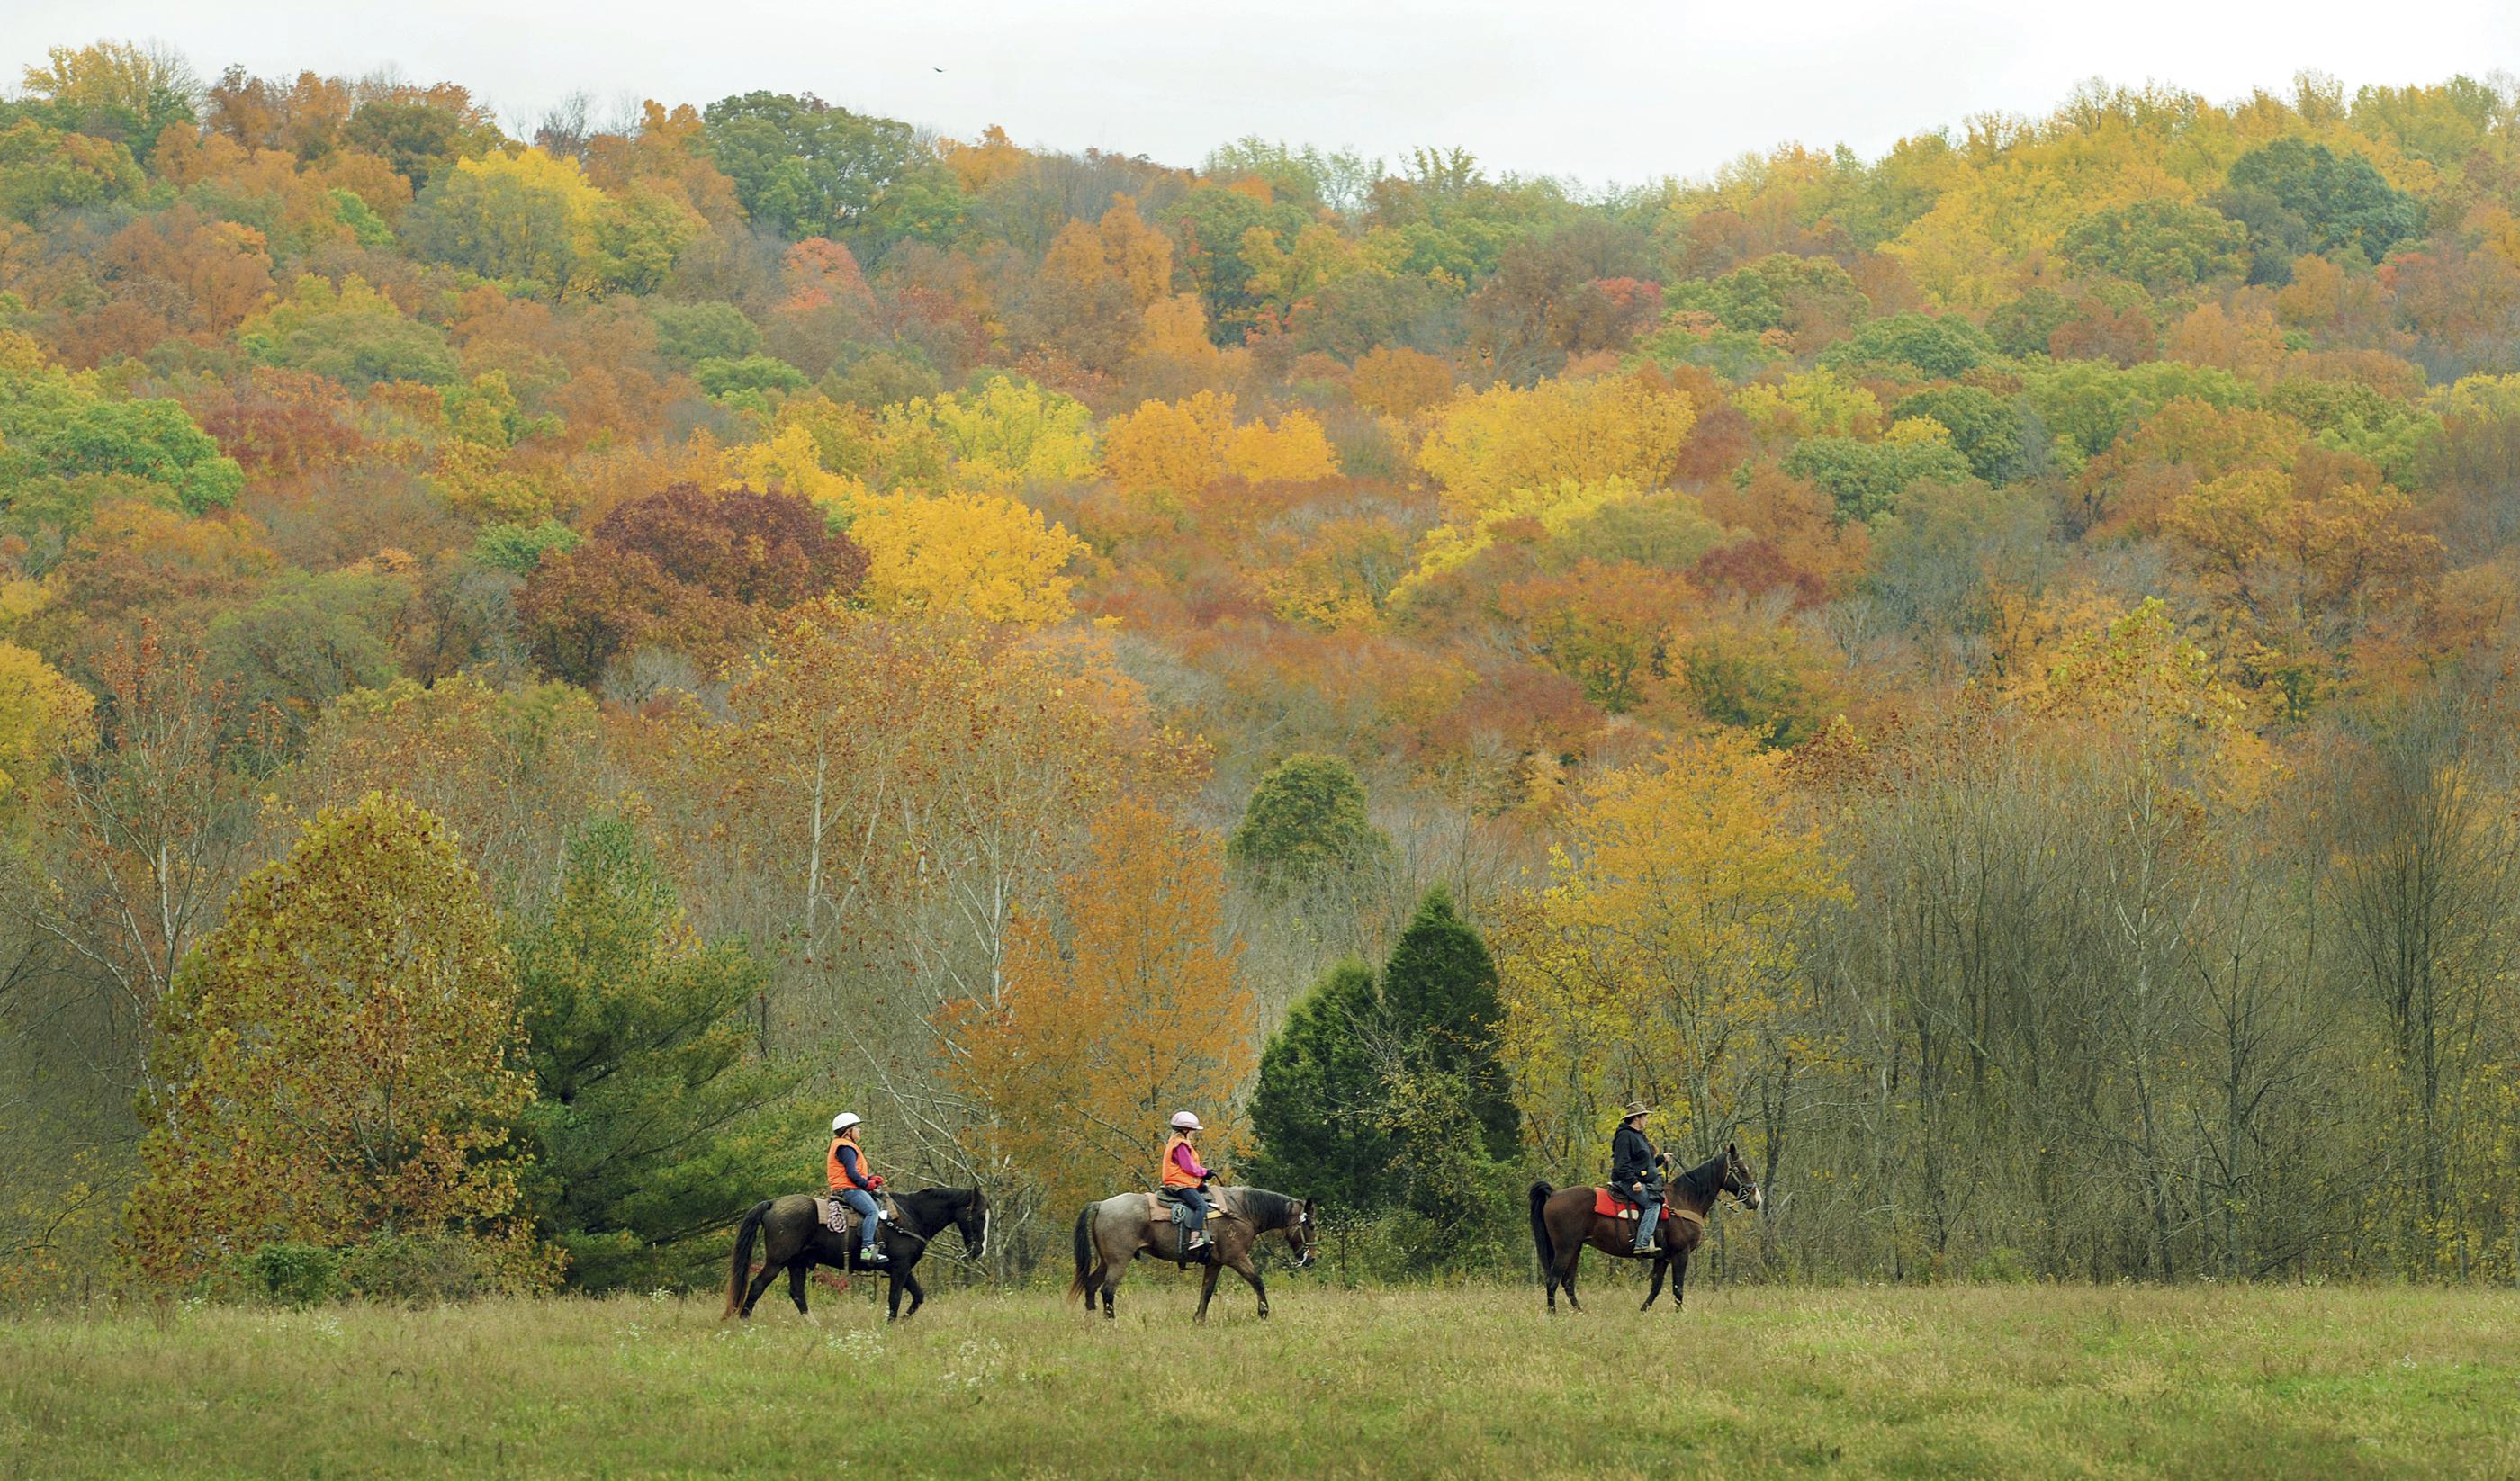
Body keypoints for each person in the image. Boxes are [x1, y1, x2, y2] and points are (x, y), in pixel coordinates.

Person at [826, 1112, 889, 1266]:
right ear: (848, 1132)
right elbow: (851, 1173)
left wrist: (870, 1179)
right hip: (849, 1190)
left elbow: (854, 1172)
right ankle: (868, 1251)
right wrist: (866, 1184)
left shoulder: (844, 1145)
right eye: (856, 1128)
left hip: (849, 1186)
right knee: (873, 1211)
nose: (859, 1131)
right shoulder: (846, 1147)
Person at [1608, 1100, 1664, 1256]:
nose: (1646, 1120)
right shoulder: (1625, 1136)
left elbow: (1645, 1163)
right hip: (1626, 1181)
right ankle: (1642, 1243)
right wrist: (1634, 1182)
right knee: (1653, 1204)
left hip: (1640, 1180)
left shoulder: (1639, 1136)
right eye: (1645, 1116)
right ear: (1637, 1118)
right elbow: (1621, 1165)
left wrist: (1660, 1159)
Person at [1159, 1110, 1218, 1253]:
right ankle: (1195, 1238)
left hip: (1181, 1181)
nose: (1193, 1133)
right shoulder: (1181, 1145)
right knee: (1201, 1206)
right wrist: (1205, 1172)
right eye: (1192, 1131)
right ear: (1185, 1130)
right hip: (1179, 1183)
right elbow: (1188, 1167)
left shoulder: (1175, 1142)